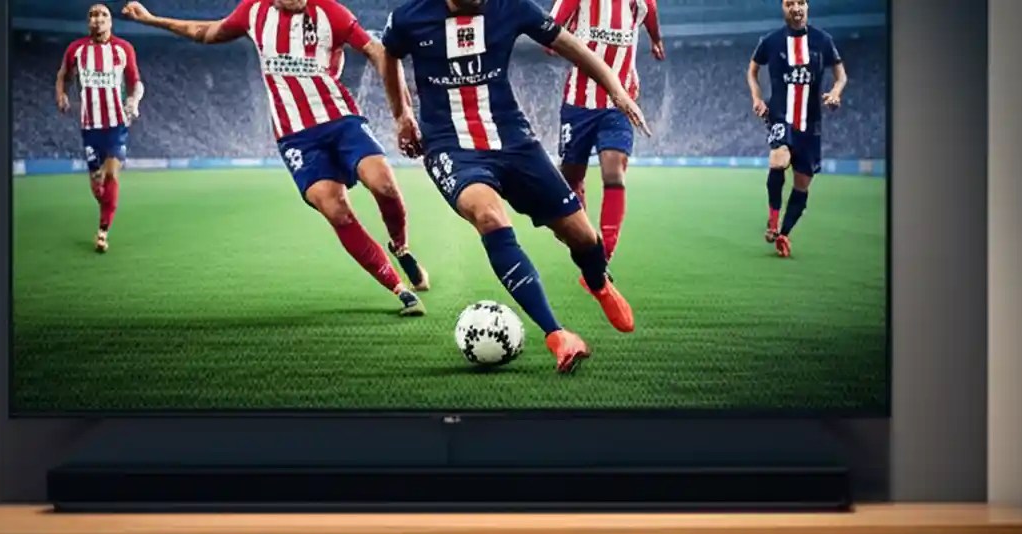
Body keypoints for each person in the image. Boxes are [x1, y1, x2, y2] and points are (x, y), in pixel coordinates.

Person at [380, 0, 648, 373]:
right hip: (450, 146)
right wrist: (402, 114)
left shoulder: (511, 6)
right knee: (490, 217)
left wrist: (615, 89)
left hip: (514, 141)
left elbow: (571, 44)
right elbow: (387, 53)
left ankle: (598, 283)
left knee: (583, 237)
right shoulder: (410, 16)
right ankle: (558, 336)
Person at [121, 0, 430, 316]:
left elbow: (378, 52)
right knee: (335, 208)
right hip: (297, 137)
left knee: (384, 186)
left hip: (341, 120)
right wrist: (152, 19)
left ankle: (400, 246)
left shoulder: (330, 12)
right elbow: (204, 31)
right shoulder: (253, 12)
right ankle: (399, 289)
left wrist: (402, 113)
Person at [548, 0, 664, 263]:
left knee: (614, 171)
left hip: (620, 100)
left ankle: (604, 255)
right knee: (570, 178)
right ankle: (580, 228)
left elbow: (652, 17)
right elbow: (549, 29)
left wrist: (656, 41)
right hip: (579, 103)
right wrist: (552, 42)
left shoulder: (642, 2)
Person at [747, 0, 847, 258]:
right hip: (780, 116)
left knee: (802, 186)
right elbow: (752, 70)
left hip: (810, 125)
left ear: (807, 6)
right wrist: (757, 98)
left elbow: (841, 75)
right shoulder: (771, 41)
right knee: (778, 160)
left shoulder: (822, 40)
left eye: (800, 2)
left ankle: (784, 234)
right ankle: (772, 219)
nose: (796, 8)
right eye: (790, 3)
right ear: (783, 8)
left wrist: (836, 92)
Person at [57, 3, 145, 253]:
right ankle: (103, 200)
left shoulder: (123, 49)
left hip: (117, 124)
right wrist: (61, 94)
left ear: (111, 22)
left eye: (103, 15)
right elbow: (63, 74)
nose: (98, 19)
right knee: (97, 182)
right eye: (93, 15)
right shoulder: (76, 49)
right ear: (88, 23)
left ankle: (103, 231)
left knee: (112, 175)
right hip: (89, 125)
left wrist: (133, 101)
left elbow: (136, 82)